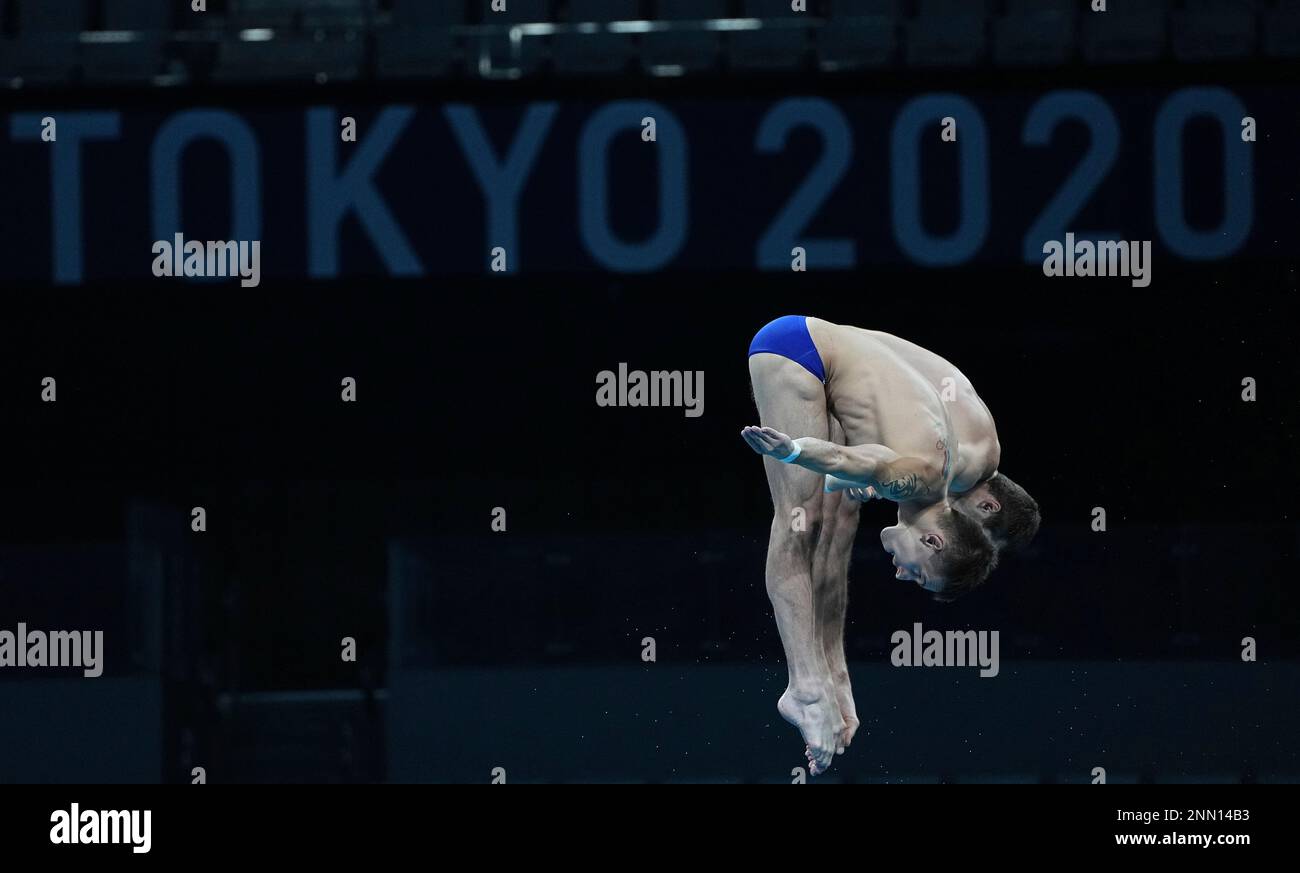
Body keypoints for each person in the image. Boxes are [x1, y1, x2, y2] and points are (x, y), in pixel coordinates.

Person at [741, 315, 1039, 775]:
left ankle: (833, 672)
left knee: (836, 518)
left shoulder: (945, 471)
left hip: (836, 354)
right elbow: (864, 461)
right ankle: (804, 685)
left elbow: (877, 458)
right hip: (797, 352)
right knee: (799, 521)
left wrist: (865, 475)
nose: (900, 573)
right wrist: (795, 452)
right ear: (938, 538)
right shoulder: (952, 470)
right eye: (918, 571)